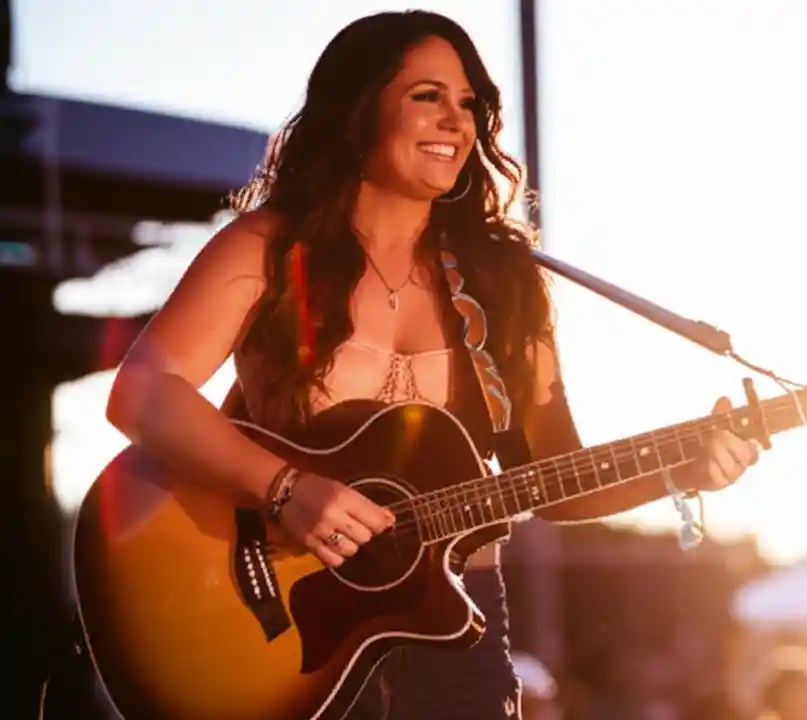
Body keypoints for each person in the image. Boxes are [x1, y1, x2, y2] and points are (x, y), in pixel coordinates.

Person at [47, 9, 759, 719]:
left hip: (457, 624)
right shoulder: (266, 248)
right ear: (358, 109)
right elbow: (140, 394)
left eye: (470, 104)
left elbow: (555, 478)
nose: (457, 120)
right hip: (285, 630)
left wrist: (682, 466)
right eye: (429, 96)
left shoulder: (505, 283)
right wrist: (286, 488)